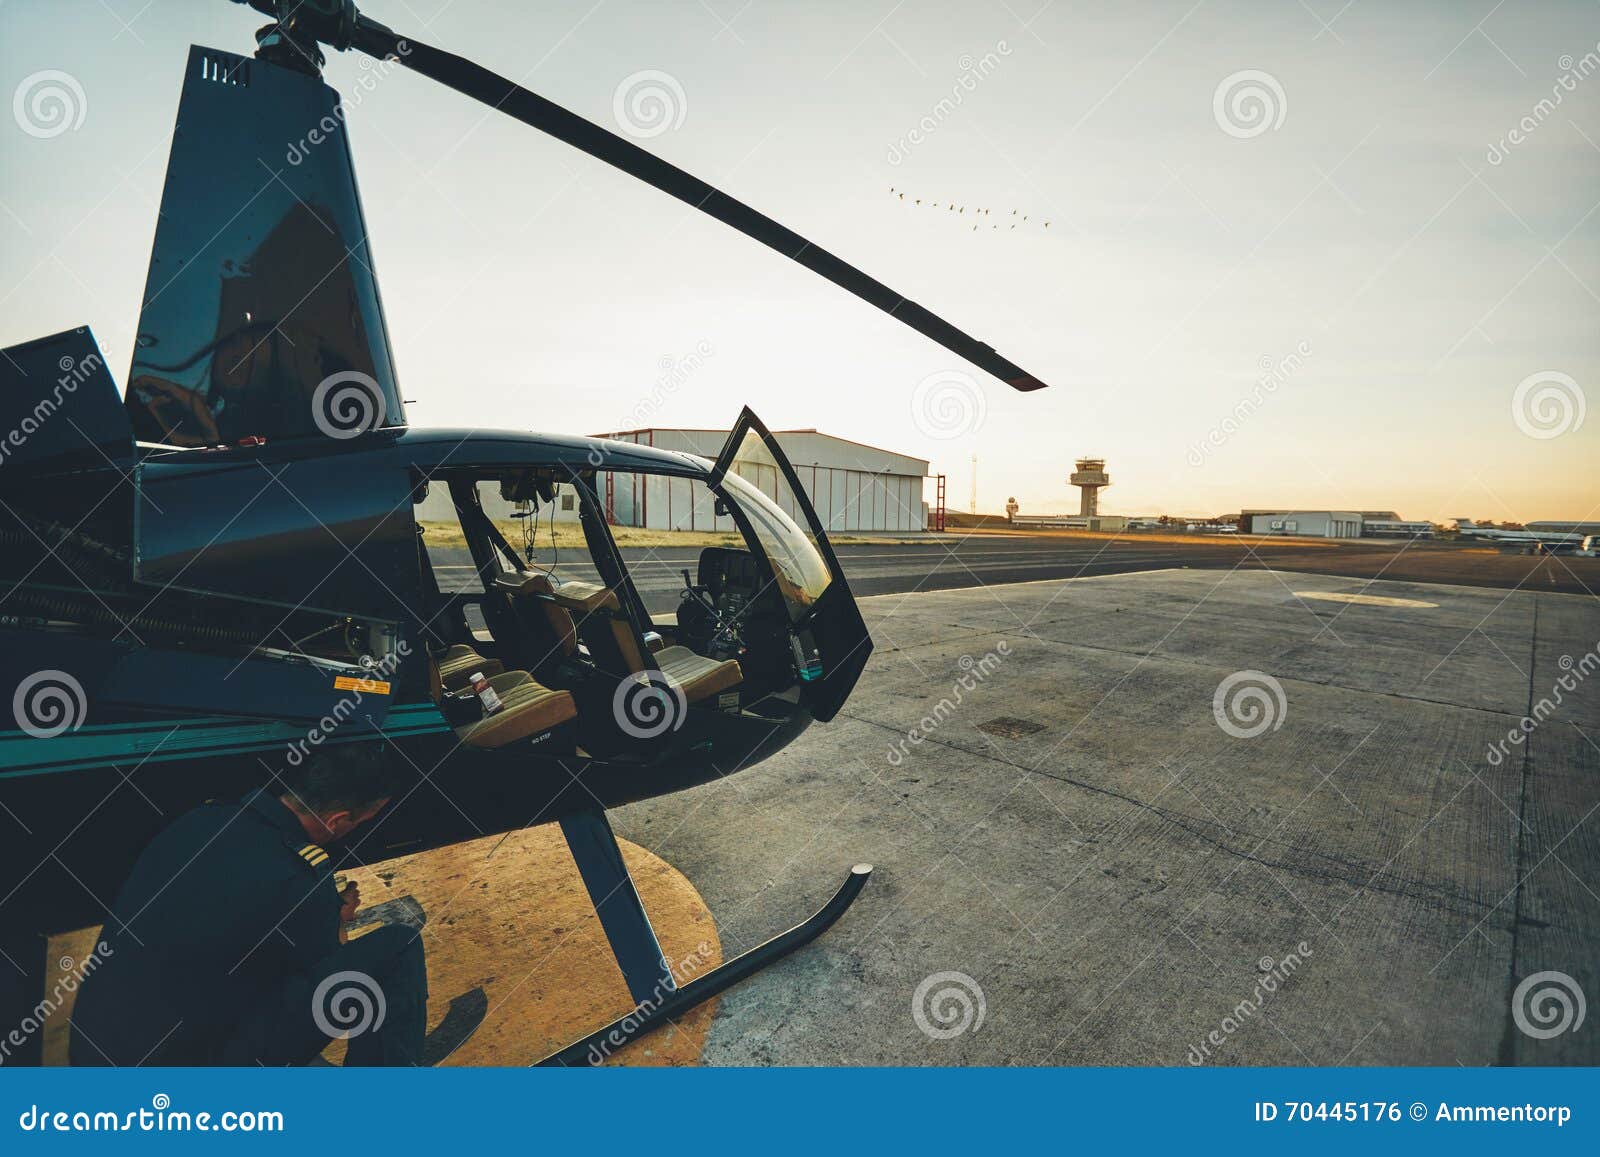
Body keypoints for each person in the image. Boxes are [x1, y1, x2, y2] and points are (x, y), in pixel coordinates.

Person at [70, 745, 427, 1066]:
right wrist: (333, 922)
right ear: (336, 821)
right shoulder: (300, 876)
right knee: (397, 947)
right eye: (364, 820)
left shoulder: (200, 821)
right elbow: (332, 974)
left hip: (93, 1048)